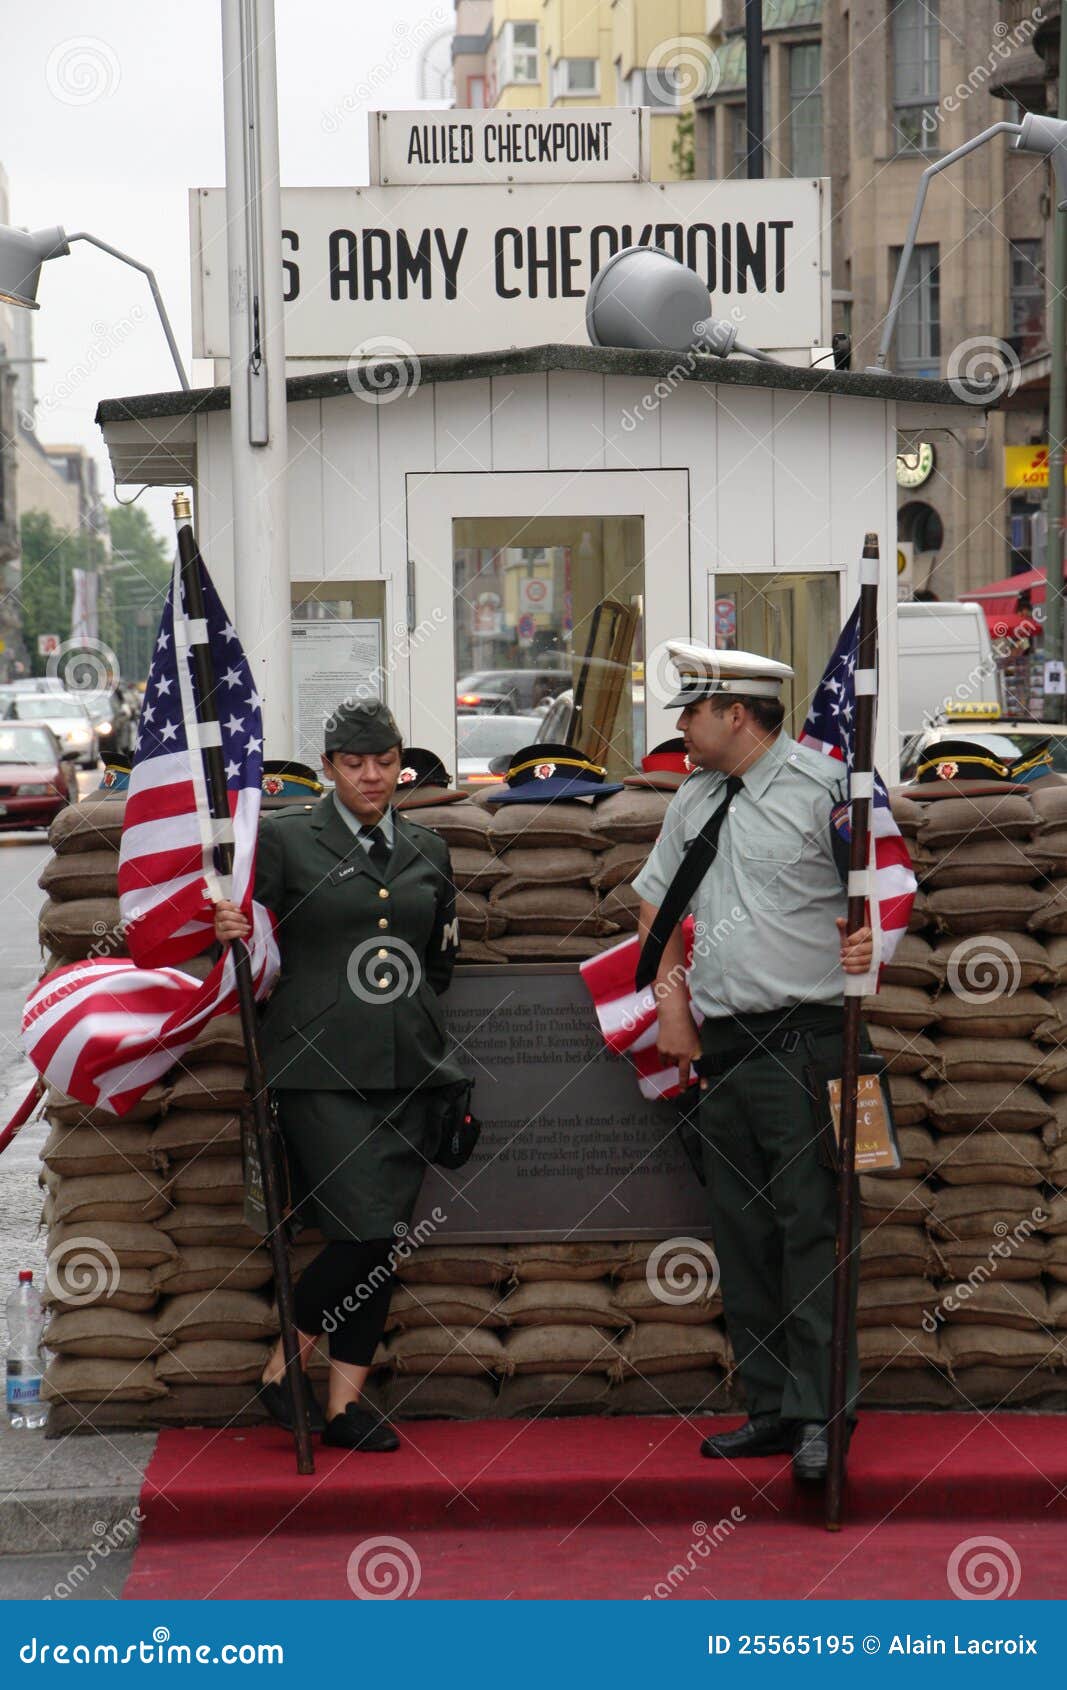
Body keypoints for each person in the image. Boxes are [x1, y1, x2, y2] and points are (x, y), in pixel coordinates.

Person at [631, 644, 873, 1484]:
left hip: (811, 1048)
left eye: (691, 713)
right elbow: (653, 903)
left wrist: (872, 940)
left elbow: (877, 890)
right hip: (725, 1050)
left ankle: (818, 1416)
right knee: (742, 1235)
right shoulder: (695, 797)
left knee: (814, 1233)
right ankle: (770, 1406)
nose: (681, 729)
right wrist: (670, 1007)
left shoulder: (827, 791)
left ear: (736, 713)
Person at [213, 697, 464, 1451]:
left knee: (382, 1238)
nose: (371, 776)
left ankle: (342, 1409)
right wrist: (231, 924)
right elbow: (251, 946)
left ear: (400, 764)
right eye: (354, 764)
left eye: (384, 762)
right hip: (318, 1069)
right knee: (359, 1233)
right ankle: (278, 1368)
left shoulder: (428, 848)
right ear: (327, 768)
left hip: (410, 1065)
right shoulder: (289, 841)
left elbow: (442, 961)